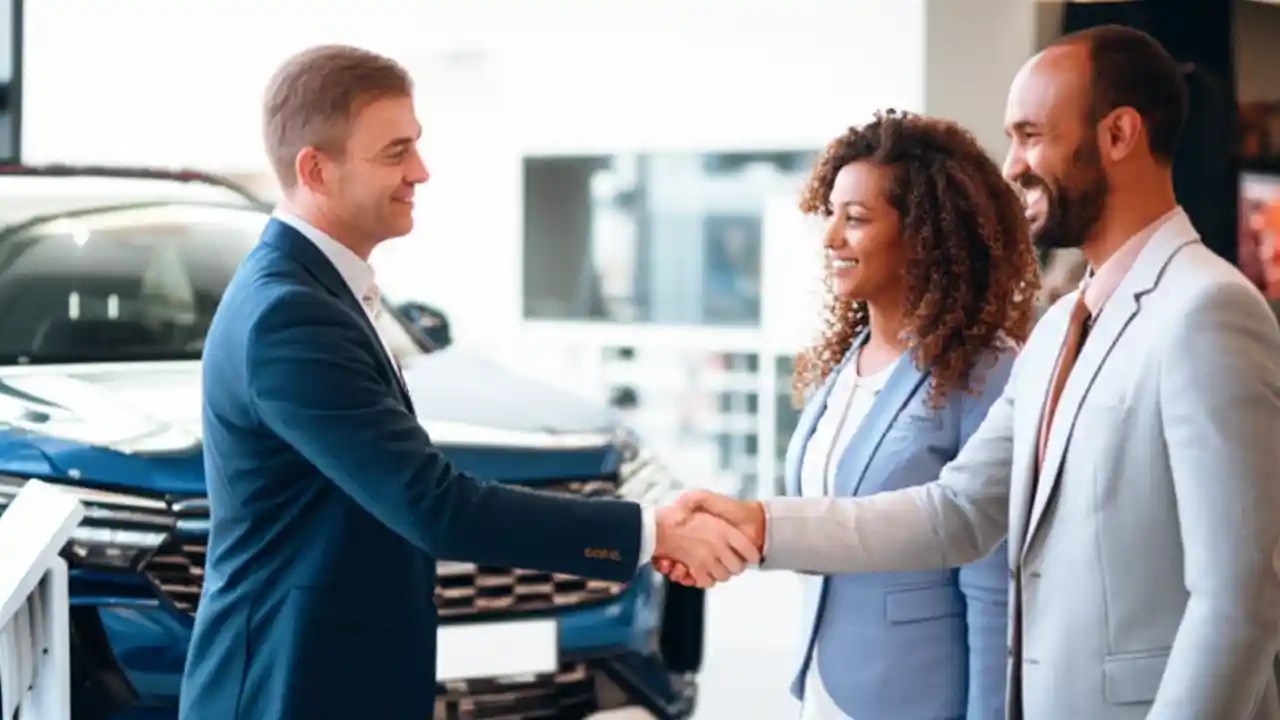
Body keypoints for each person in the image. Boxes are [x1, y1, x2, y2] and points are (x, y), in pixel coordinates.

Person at [666, 25, 1280, 720]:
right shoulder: (1058, 328)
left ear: (1119, 135)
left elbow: (1237, 601)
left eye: (1031, 135)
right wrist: (759, 524)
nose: (1012, 164)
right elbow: (955, 511)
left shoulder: (1209, 310)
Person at [178, 45, 757, 720]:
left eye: (415, 147)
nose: (419, 172)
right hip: (289, 685)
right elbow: (435, 507)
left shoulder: (314, 292)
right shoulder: (289, 314)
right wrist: (652, 532)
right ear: (316, 170)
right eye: (395, 152)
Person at [773, 110, 1038, 719]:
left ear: (923, 235)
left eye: (856, 219)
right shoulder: (848, 362)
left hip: (915, 697)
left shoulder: (987, 372)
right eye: (831, 213)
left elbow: (994, 588)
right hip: (824, 687)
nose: (831, 236)